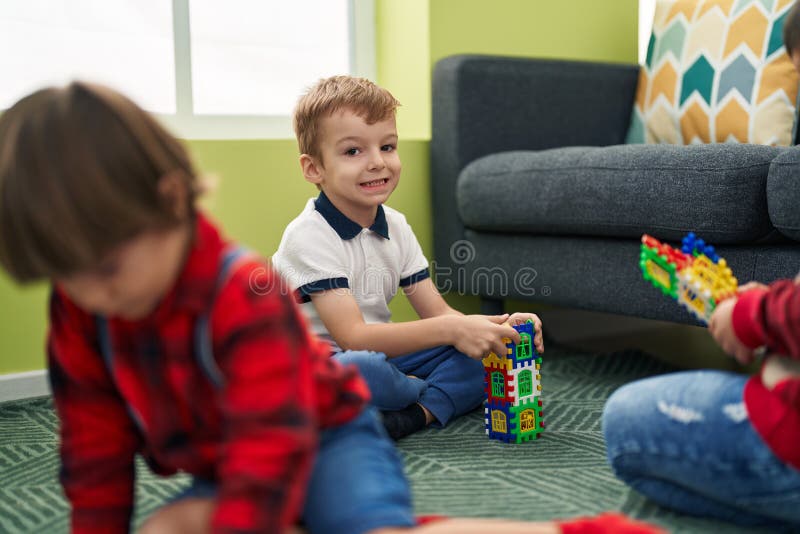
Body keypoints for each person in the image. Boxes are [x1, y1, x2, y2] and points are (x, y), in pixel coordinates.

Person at [0, 82, 663, 534]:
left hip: (325, 433)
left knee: (411, 411)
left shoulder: (241, 290)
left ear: (173, 202)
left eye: (386, 146)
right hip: (318, 384)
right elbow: (94, 441)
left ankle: (563, 520)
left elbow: (430, 313)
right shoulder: (90, 309)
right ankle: (403, 404)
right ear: (313, 168)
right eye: (65, 278)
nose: (92, 294)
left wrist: (486, 327)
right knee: (169, 523)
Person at [273, 75, 544, 440]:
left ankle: (413, 416)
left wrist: (498, 326)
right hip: (315, 366)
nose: (377, 163)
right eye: (353, 151)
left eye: (387, 147)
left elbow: (441, 315)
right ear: (314, 168)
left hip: (379, 355)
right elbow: (353, 337)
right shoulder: (308, 235)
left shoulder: (395, 226)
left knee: (485, 356)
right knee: (362, 369)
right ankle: (415, 392)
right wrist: (450, 332)